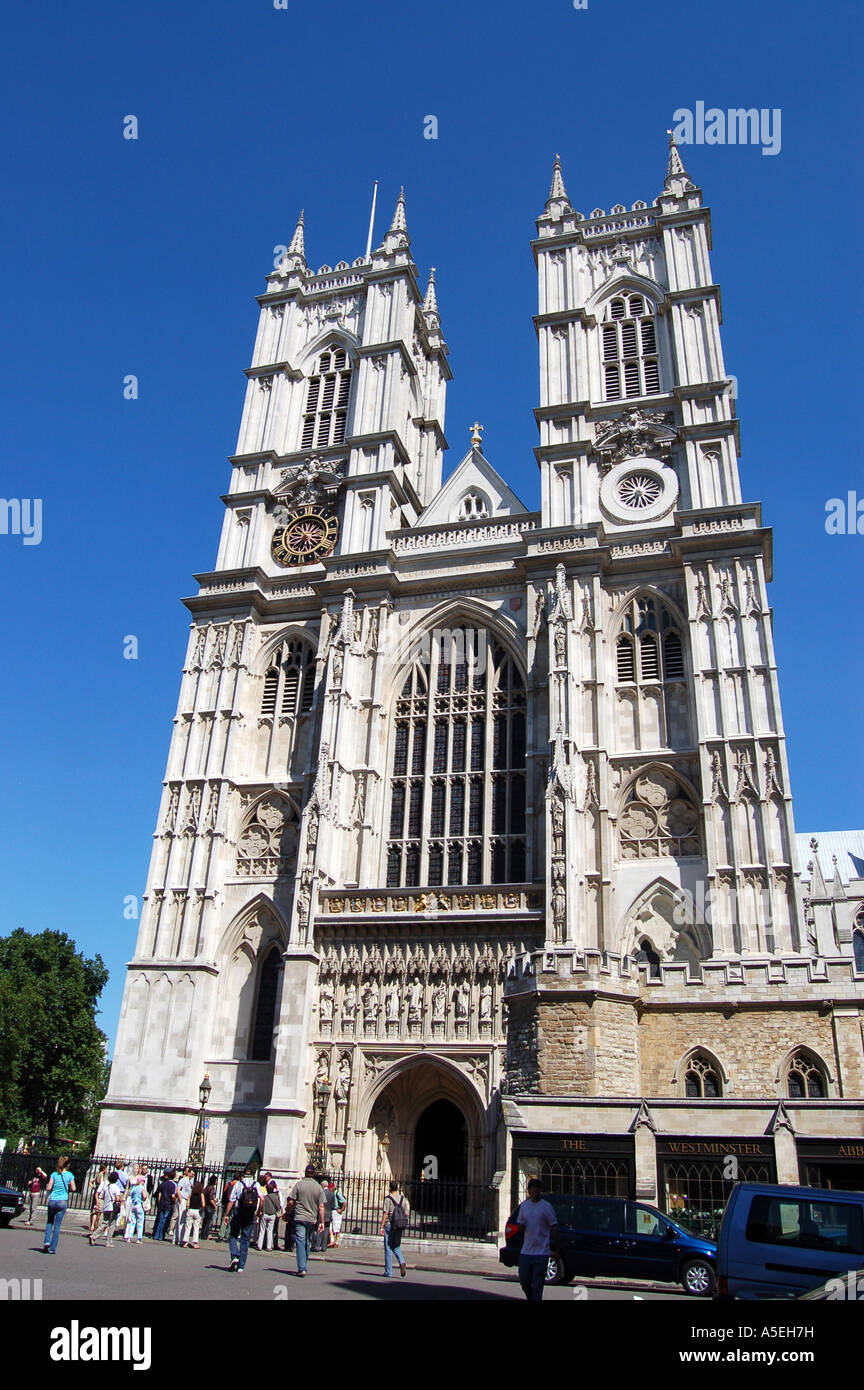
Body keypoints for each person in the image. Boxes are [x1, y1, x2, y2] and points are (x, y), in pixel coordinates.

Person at [514, 1179, 560, 1302]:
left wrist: (556, 1249)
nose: (535, 1190)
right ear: (528, 1190)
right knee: (524, 1280)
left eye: (537, 1187)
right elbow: (520, 1224)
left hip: (541, 1252)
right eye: (532, 1187)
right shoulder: (524, 1206)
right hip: (526, 1251)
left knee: (538, 1284)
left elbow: (554, 1227)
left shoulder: (546, 1207)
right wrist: (520, 1227)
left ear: (540, 1190)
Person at [287, 1165, 326, 1277]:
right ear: (314, 1173)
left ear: (305, 1173)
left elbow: (291, 1202)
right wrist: (322, 1222)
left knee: (300, 1241)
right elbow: (321, 1206)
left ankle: (302, 1267)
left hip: (299, 1217)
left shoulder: (299, 1185)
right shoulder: (318, 1187)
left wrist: (287, 1212)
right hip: (311, 1218)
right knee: (307, 1241)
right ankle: (304, 1262)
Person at [225, 1168, 262, 1273]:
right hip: (250, 1213)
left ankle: (235, 1256)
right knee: (245, 1239)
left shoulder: (238, 1184)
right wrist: (258, 1211)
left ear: (243, 1175)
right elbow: (262, 1198)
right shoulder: (256, 1184)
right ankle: (241, 1266)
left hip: (238, 1212)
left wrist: (226, 1214)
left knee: (233, 1235)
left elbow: (231, 1201)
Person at [42, 1157, 76, 1254]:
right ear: (68, 1165)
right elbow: (74, 1188)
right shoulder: (70, 1175)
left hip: (53, 1200)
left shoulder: (54, 1174)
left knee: (49, 1222)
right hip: (62, 1201)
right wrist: (68, 1184)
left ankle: (46, 1241)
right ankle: (52, 1248)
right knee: (57, 1226)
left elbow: (49, 1187)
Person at [380, 1180, 410, 1278]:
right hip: (399, 1225)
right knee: (396, 1246)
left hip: (390, 1224)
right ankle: (402, 1262)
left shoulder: (388, 1199)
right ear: (397, 1187)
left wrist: (381, 1226)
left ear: (389, 1188)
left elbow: (385, 1213)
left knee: (388, 1248)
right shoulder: (403, 1198)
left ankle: (388, 1272)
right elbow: (406, 1212)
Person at [90, 1170, 122, 1247]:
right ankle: (108, 1241)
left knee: (104, 1222)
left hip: (106, 1206)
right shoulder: (116, 1188)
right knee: (112, 1224)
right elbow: (117, 1199)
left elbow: (103, 1196)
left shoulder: (106, 1187)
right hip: (112, 1208)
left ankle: (94, 1235)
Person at [153, 1170, 178, 1241]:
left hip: (162, 1203)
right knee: (165, 1220)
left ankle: (156, 1235)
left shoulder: (163, 1184)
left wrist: (159, 1202)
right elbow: (173, 1196)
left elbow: (159, 1195)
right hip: (168, 1204)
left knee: (160, 1220)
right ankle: (161, 1235)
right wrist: (174, 1201)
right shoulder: (172, 1185)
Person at [123, 1170, 147, 1245]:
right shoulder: (141, 1188)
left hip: (133, 1205)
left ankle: (129, 1237)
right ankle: (139, 1238)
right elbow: (144, 1197)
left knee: (132, 1222)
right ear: (141, 1181)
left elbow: (131, 1196)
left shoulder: (134, 1188)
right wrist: (147, 1196)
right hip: (139, 1205)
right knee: (140, 1222)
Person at [258, 1179, 282, 1251]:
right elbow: (278, 1206)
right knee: (270, 1231)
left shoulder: (264, 1197)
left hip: (264, 1214)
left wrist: (261, 1211)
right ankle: (268, 1247)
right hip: (272, 1215)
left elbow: (261, 1205)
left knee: (262, 1230)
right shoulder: (275, 1197)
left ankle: (259, 1245)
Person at [171, 1166, 193, 1244]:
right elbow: (178, 1189)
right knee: (181, 1219)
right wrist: (180, 1199)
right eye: (191, 1173)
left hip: (185, 1200)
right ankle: (180, 1239)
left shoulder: (189, 1181)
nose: (192, 1174)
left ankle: (176, 1238)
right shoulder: (184, 1180)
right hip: (182, 1199)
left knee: (181, 1220)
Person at [184, 1180, 206, 1248]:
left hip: (190, 1210)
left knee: (188, 1227)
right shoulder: (201, 1194)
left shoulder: (191, 1193)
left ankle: (185, 1242)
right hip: (197, 1211)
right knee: (196, 1228)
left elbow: (187, 1203)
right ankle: (195, 1243)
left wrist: (187, 1208)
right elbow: (203, 1204)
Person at [88, 1164, 108, 1236]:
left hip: (96, 1191)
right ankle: (96, 1226)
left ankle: (92, 1225)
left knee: (94, 1210)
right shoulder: (102, 1175)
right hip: (99, 1193)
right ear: (104, 1169)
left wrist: (93, 1187)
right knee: (98, 1211)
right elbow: (102, 1184)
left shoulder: (97, 1175)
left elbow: (90, 1182)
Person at [201, 1174, 219, 1242]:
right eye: (216, 1180)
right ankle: (205, 1235)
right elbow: (211, 1198)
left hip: (206, 1206)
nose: (217, 1182)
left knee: (205, 1222)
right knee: (208, 1222)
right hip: (209, 1207)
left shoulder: (207, 1187)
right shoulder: (211, 1188)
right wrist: (214, 1205)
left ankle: (202, 1234)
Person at [330, 1181, 346, 1248]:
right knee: (331, 1227)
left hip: (336, 1211)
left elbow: (344, 1202)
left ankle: (336, 1242)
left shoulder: (337, 1193)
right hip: (332, 1210)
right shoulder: (331, 1193)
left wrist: (341, 1209)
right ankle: (332, 1240)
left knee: (336, 1227)